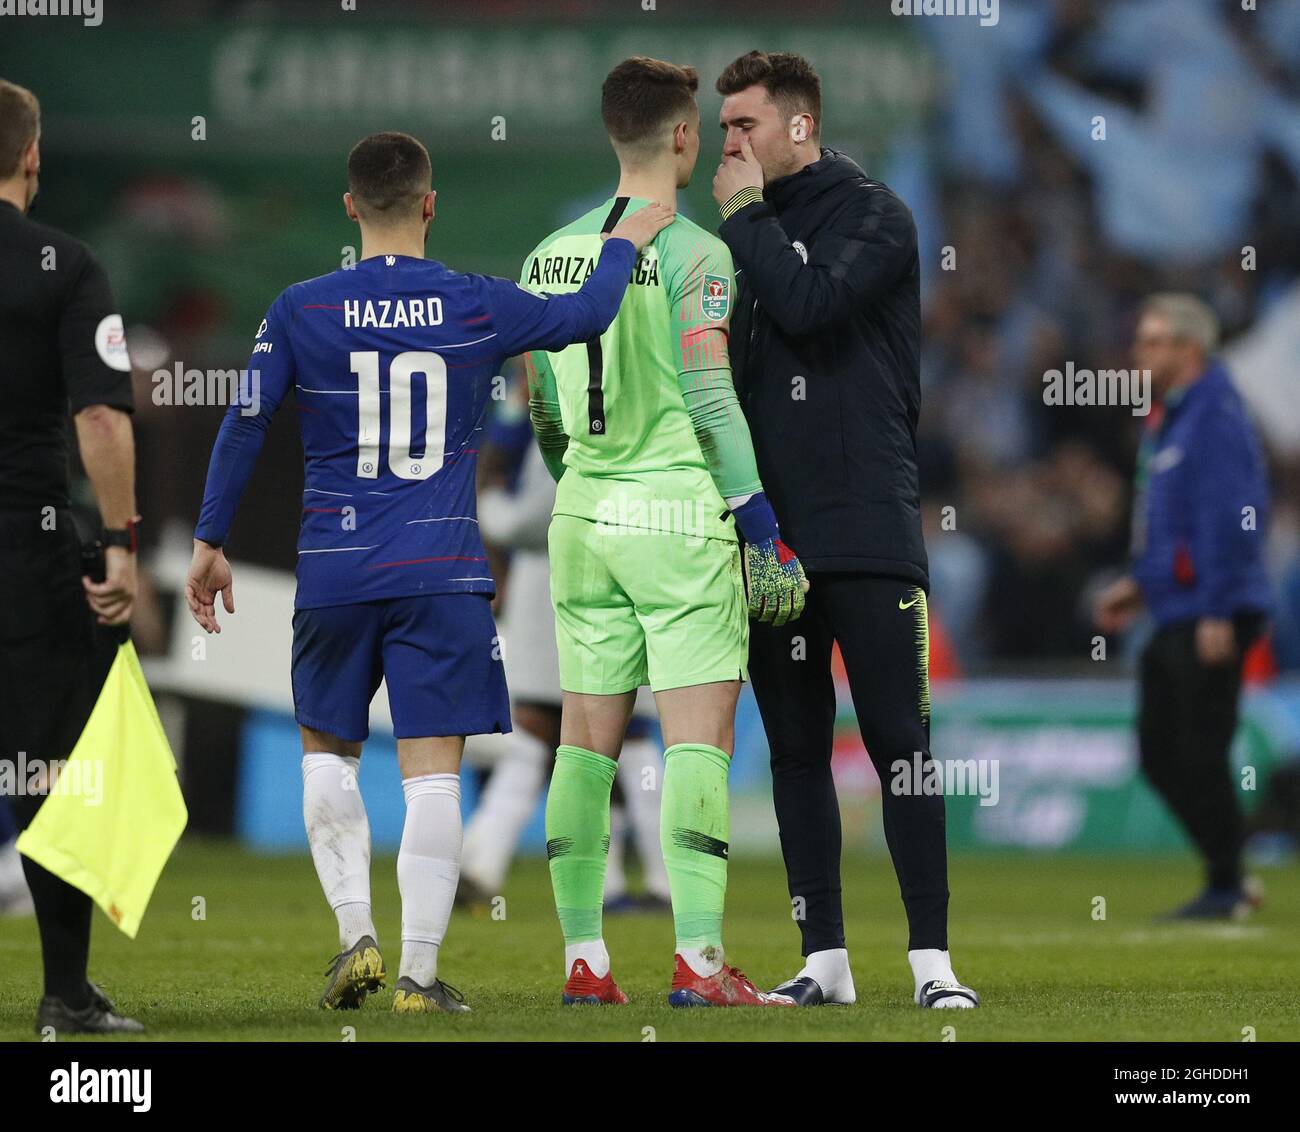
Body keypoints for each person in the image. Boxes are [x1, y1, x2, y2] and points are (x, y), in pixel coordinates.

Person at [186, 130, 671, 1013]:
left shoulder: (301, 306)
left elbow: (246, 419)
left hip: (334, 571)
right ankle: (416, 974)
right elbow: (583, 318)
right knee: (434, 774)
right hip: (441, 572)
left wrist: (210, 539)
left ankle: (352, 940)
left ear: (349, 208)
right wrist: (623, 244)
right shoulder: (474, 303)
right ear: (430, 204)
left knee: (327, 753)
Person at [525, 56, 808, 1008]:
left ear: (616, 133)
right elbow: (710, 396)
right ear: (684, 136)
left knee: (583, 744)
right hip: (678, 514)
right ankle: (696, 963)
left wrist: (581, 484)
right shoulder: (696, 253)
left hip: (584, 519)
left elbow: (542, 415)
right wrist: (759, 523)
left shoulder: (548, 253)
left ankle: (584, 963)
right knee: (697, 743)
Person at [710, 50, 977, 1008]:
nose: (727, 145)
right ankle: (824, 959)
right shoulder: (752, 233)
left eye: (744, 125)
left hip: (867, 525)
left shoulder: (877, 215)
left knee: (901, 741)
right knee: (791, 748)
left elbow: (813, 305)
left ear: (800, 125)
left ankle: (932, 966)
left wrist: (743, 220)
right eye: (725, 127)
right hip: (775, 535)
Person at [0, 78, 143, 1033]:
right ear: (33, 156)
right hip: (24, 546)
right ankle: (64, 996)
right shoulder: (65, 263)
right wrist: (124, 542)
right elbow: (99, 414)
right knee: (54, 767)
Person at [1095, 293, 1272, 920]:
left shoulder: (1214, 414)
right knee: (1162, 752)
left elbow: (1232, 518)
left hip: (1211, 609)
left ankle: (1228, 884)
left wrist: (1220, 608)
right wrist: (1141, 585)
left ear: (1189, 350)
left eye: (1153, 342)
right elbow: (1178, 526)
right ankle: (1231, 874)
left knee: (1193, 750)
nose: (1139, 353)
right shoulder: (1175, 416)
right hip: (1180, 607)